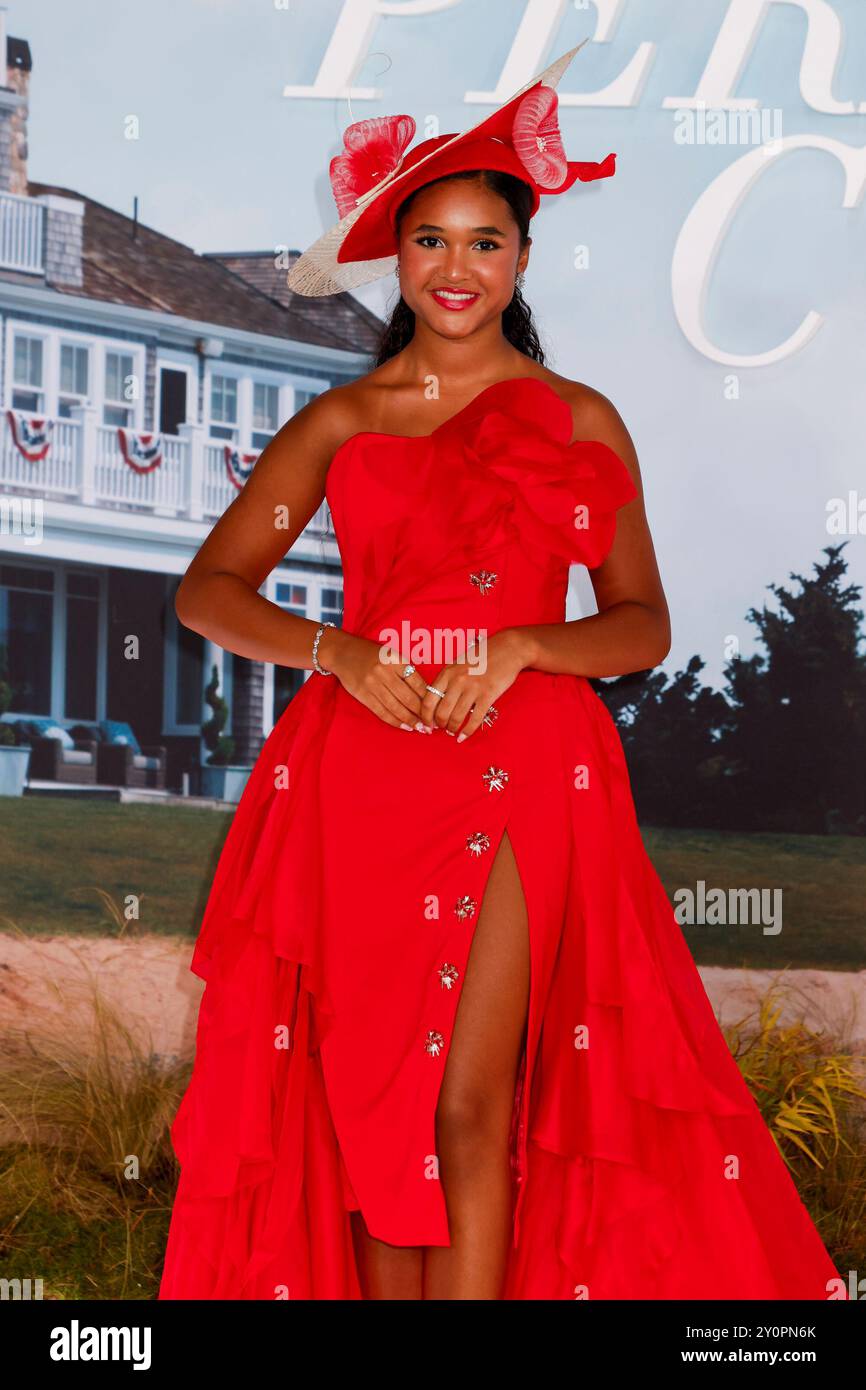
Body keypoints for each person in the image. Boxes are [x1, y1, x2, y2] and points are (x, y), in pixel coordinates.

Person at [159, 46, 844, 1301]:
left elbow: (638, 624)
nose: (456, 267)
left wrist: (528, 643)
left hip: (524, 767)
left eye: (484, 241)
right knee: (376, 1114)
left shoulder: (578, 416)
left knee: (468, 1104)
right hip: (359, 771)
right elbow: (207, 592)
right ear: (395, 255)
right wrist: (337, 650)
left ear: (521, 258)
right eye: (430, 239)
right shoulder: (340, 421)